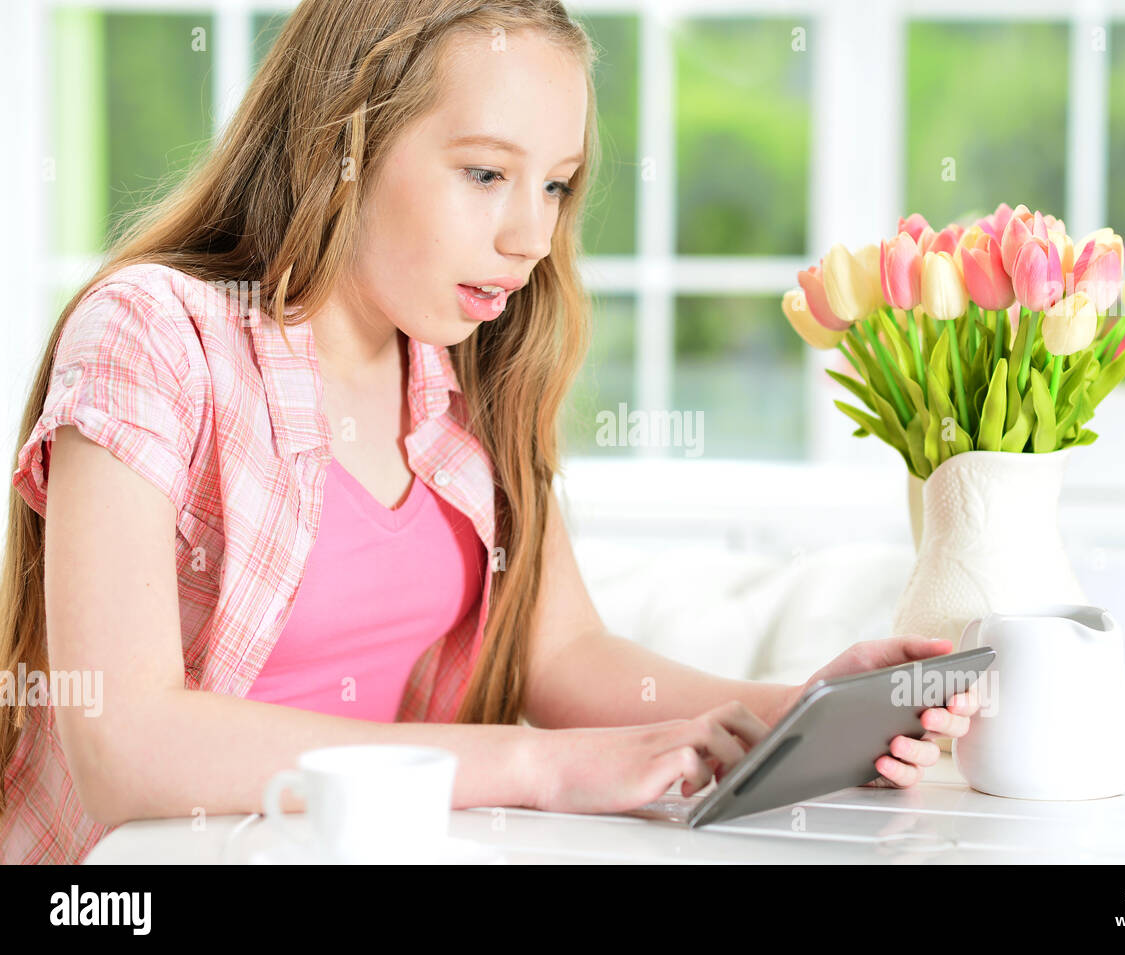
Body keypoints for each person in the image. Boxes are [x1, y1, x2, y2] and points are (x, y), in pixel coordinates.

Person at [0, 0, 974, 864]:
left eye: (554, 184)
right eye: (484, 173)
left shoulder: (466, 363)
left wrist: (798, 713)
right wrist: (534, 766)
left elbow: (561, 659)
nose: (532, 236)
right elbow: (121, 745)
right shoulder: (153, 334)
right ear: (343, 145)